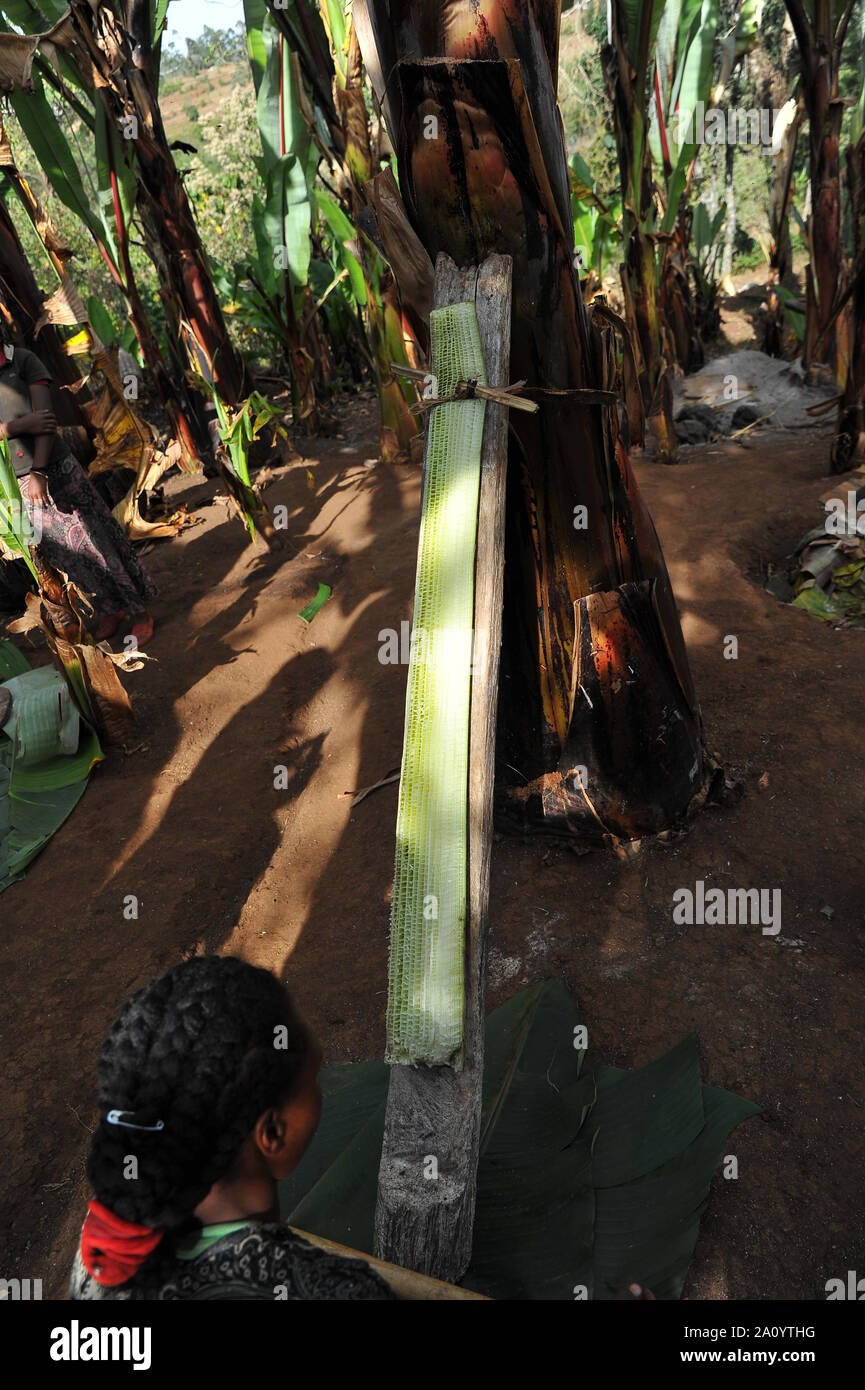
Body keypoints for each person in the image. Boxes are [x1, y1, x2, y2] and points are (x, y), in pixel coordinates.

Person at [68, 955, 395, 1300]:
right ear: (273, 1133)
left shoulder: (104, 1251)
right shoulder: (336, 1291)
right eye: (315, 1077)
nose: (321, 1088)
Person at [0, 343, 156, 642]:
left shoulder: (22, 361)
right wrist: (21, 426)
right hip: (16, 482)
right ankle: (109, 609)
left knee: (97, 542)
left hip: (53, 470)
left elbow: (45, 421)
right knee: (68, 556)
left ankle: (138, 611)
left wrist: (36, 469)